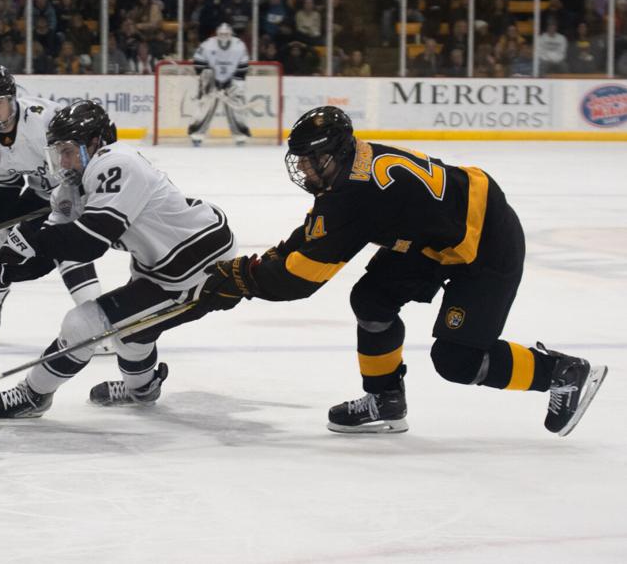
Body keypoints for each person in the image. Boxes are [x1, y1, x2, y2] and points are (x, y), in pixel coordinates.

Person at [199, 106, 608, 437]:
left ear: (335, 154)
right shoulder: (350, 169)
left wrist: (243, 278)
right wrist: (253, 268)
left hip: (486, 241)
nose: (304, 170)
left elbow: (301, 280)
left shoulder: (353, 195)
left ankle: (562, 372)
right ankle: (385, 400)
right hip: (438, 237)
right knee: (371, 299)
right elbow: (311, 237)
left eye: (312, 160)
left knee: (456, 360)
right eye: (301, 160)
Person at [0, 100, 237, 418]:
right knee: (133, 335)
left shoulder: (117, 162)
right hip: (161, 264)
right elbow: (42, 259)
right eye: (57, 153)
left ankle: (34, 394)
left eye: (68, 151)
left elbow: (88, 242)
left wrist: (19, 249)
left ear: (96, 143)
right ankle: (143, 389)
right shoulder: (70, 189)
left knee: (83, 323)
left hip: (201, 263)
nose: (62, 162)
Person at [0, 67, 105, 346]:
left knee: (66, 242)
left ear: (12, 100)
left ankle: (100, 329)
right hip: (46, 191)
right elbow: (5, 186)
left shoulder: (44, 121)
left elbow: (89, 153)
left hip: (84, 187)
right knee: (3, 233)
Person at [187, 22, 251, 146]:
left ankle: (240, 136)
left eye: (226, 34)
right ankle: (197, 135)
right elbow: (199, 62)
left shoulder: (239, 46)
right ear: (217, 34)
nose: (223, 36)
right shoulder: (207, 44)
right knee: (204, 106)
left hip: (232, 81)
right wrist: (209, 80)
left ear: (231, 34)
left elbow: (243, 67)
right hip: (211, 80)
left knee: (236, 108)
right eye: (221, 34)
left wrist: (236, 84)